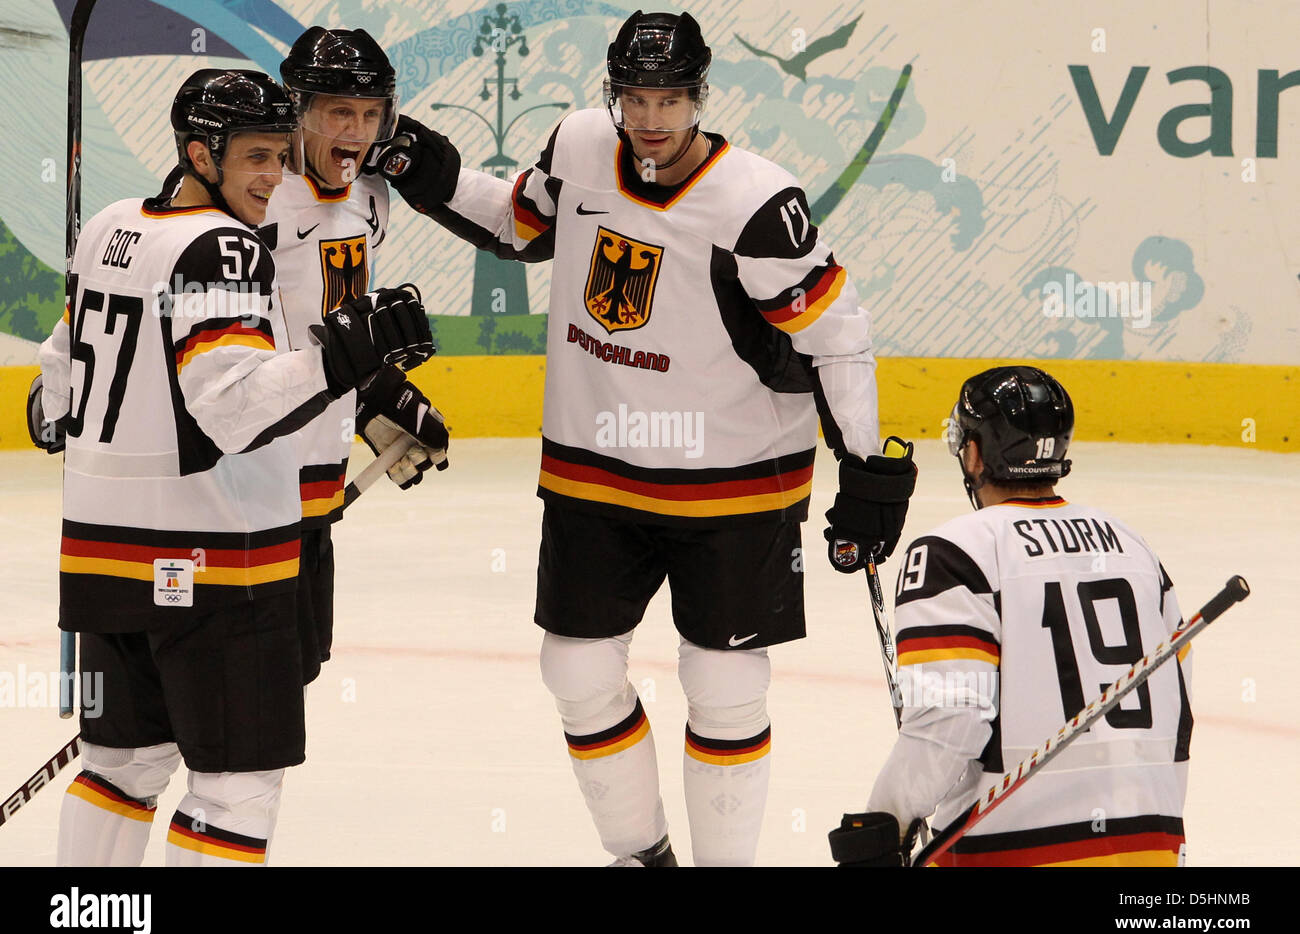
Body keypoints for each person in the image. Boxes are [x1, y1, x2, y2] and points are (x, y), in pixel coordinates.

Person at [367, 10, 916, 865]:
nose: (650, 118)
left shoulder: (756, 203)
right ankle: (640, 854)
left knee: (725, 685)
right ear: (611, 96)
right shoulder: (583, 145)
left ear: (700, 96)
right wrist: (422, 164)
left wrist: (865, 469)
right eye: (634, 97)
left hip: (735, 478)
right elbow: (517, 222)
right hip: (597, 471)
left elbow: (837, 333)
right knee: (576, 670)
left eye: (668, 98)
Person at [28, 69, 432, 866]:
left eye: (282, 158)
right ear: (198, 154)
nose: (272, 178)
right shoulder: (225, 247)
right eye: (253, 157)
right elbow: (234, 410)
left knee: (125, 767)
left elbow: (50, 406)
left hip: (103, 562)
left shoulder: (111, 226)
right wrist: (349, 353)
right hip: (214, 567)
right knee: (235, 789)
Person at [829, 367, 1192, 867]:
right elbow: (1176, 704)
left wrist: (885, 823)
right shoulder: (1133, 546)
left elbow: (949, 724)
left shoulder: (954, 553)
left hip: (1010, 852)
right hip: (1150, 847)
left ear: (974, 453)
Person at [259, 25, 450, 684]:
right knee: (236, 698)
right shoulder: (255, 197)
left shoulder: (372, 197)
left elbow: (333, 327)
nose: (357, 129)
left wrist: (373, 398)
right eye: (340, 111)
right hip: (249, 480)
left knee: (291, 679)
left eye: (371, 114)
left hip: (319, 472)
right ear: (298, 109)